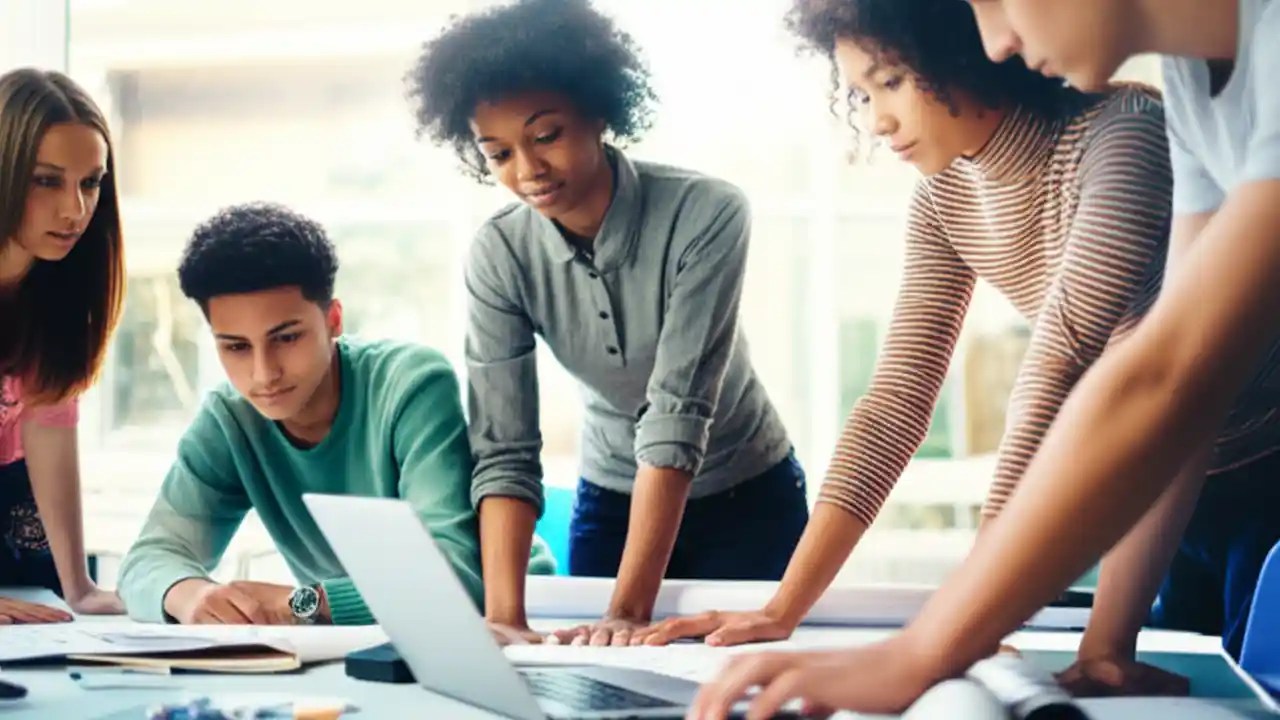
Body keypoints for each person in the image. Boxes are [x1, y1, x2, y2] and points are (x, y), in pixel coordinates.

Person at [686, 0, 1280, 716]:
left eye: (892, 81)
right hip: (1164, 485)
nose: (875, 120)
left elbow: (1095, 370)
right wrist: (785, 607)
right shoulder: (951, 196)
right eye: (861, 94)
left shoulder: (1125, 133)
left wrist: (945, 640)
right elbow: (896, 402)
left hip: (1258, 474)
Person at [406, 0, 809, 646]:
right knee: (603, 686)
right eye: (499, 152)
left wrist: (627, 609)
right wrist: (502, 619)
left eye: (546, 135)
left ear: (598, 112)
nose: (527, 170)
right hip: (612, 501)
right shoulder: (499, 253)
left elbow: (677, 411)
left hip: (749, 499)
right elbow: (504, 446)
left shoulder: (707, 212)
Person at [116, 203, 552, 626]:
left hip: (516, 613)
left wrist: (300, 603)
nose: (263, 374)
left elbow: (451, 579)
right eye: (236, 346)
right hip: (362, 632)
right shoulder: (230, 420)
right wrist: (192, 595)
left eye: (286, 338)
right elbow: (146, 561)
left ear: (333, 319)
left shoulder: (411, 384)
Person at [0, 67, 127, 624]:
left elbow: (48, 423)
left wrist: (78, 587)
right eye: (46, 181)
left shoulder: (58, 290)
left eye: (91, 182)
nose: (75, 209)